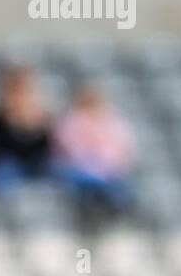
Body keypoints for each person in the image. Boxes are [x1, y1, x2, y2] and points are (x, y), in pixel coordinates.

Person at [53, 84, 135, 215]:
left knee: (123, 189)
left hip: (108, 171)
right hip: (82, 171)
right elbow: (70, 150)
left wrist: (107, 166)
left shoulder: (111, 121)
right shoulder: (72, 122)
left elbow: (122, 148)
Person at [0, 65, 53, 190]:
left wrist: (34, 124)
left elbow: (44, 146)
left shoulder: (39, 114)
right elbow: (1, 144)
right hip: (8, 163)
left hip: (37, 163)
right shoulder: (2, 113)